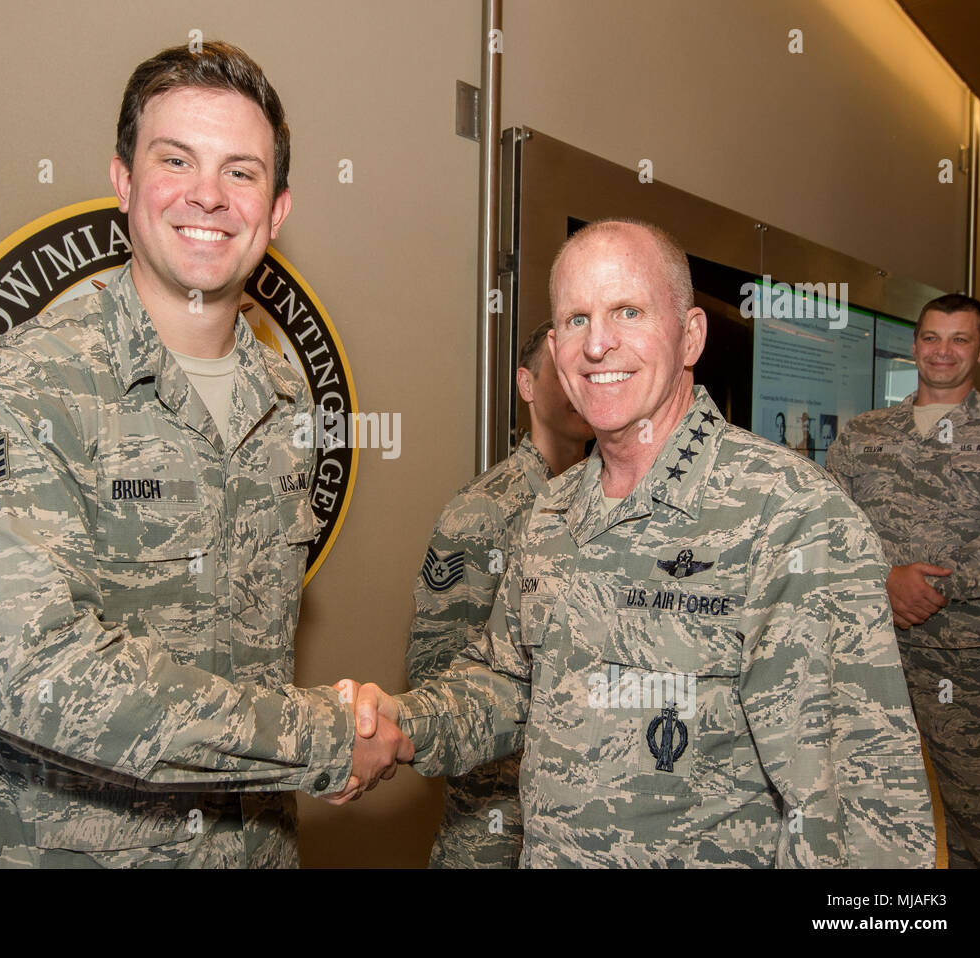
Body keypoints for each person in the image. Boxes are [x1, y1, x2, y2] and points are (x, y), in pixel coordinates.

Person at [0, 40, 410, 868]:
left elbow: (246, 652)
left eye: (241, 172)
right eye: (176, 159)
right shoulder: (31, 383)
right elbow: (27, 669)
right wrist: (319, 736)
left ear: (279, 206)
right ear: (123, 180)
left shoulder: (288, 398)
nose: (208, 196)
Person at [347, 219, 935, 867]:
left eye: (628, 310)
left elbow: (862, 814)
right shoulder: (552, 511)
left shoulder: (788, 513)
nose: (598, 344)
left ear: (689, 337)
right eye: (575, 319)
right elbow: (510, 681)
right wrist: (402, 724)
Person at [407, 321, 593, 868]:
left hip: (580, 818)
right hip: (495, 823)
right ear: (526, 385)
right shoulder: (484, 511)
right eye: (560, 369)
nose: (578, 380)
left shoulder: (606, 509)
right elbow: (433, 669)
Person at [826, 293, 980, 868]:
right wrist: (883, 582)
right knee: (868, 813)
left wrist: (940, 585)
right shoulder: (863, 435)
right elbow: (829, 531)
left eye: (959, 339)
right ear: (914, 344)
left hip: (973, 667)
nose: (942, 351)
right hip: (870, 657)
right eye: (931, 338)